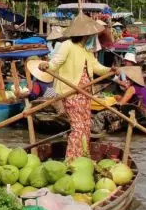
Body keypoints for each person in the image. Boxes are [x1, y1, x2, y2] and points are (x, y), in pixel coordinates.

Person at [39, 14, 114, 159]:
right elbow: (55, 63)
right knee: (78, 127)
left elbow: (96, 67)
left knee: (86, 126)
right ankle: (71, 160)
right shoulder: (67, 45)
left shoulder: (86, 50)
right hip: (71, 92)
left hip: (85, 94)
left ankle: (83, 157)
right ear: (84, 34)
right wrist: (46, 65)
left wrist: (110, 70)